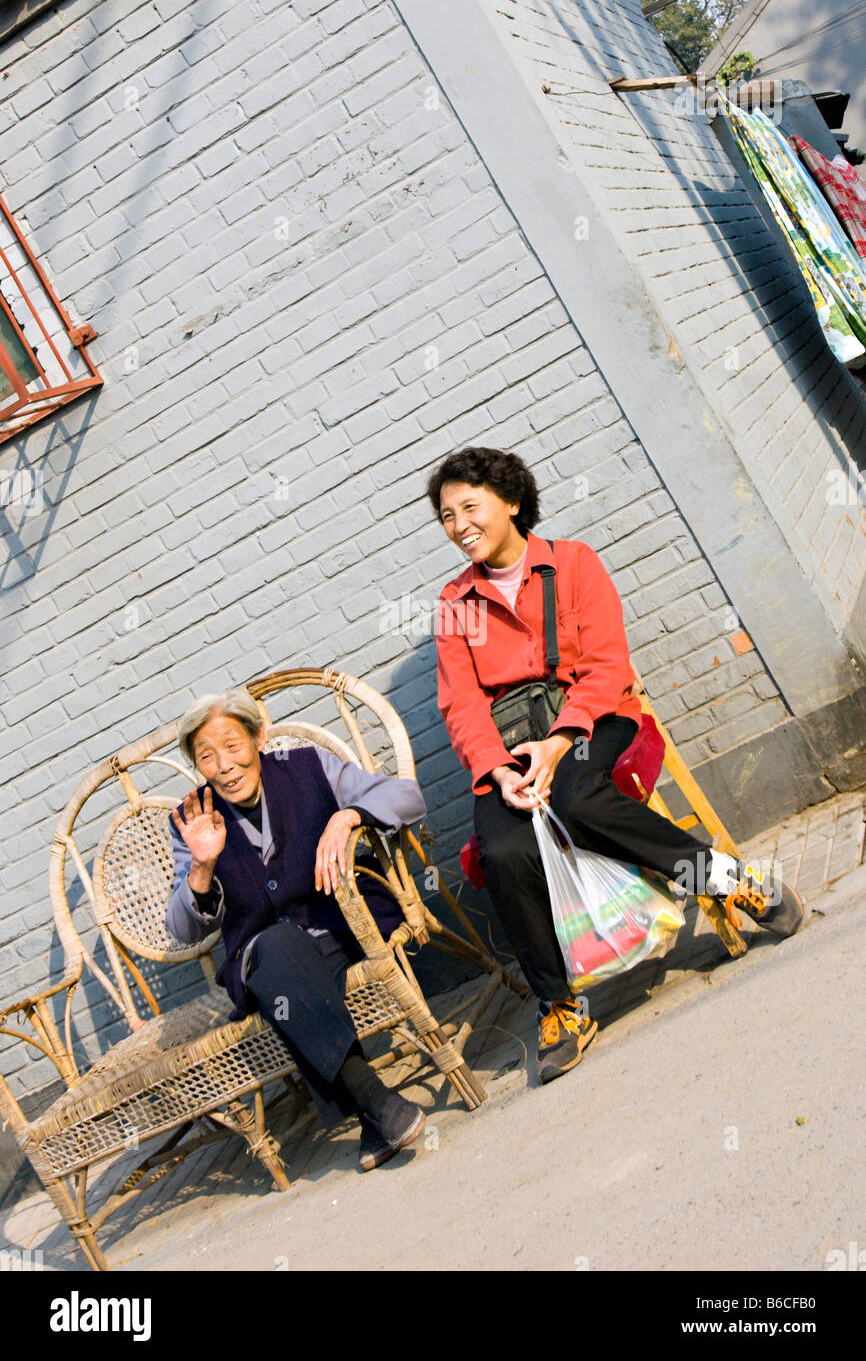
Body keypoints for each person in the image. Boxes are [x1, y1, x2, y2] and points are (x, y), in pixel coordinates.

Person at [427, 447, 803, 1086]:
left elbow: (605, 663)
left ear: (511, 501)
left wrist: (561, 739)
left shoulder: (573, 563)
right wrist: (498, 769)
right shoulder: (454, 602)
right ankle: (560, 1005)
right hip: (512, 751)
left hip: (596, 719)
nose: (458, 523)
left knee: (576, 799)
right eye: (446, 515)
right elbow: (460, 704)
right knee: (501, 850)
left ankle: (724, 877)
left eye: (470, 506)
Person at [165, 686, 428, 1172]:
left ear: (259, 737)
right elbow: (181, 928)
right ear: (195, 765)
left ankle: (375, 1117)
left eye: (233, 746)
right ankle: (373, 1095)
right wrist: (200, 868)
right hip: (265, 956)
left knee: (286, 988)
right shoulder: (191, 821)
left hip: (340, 930)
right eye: (206, 756)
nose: (224, 765)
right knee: (280, 957)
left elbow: (406, 797)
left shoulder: (310, 768)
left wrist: (349, 816)